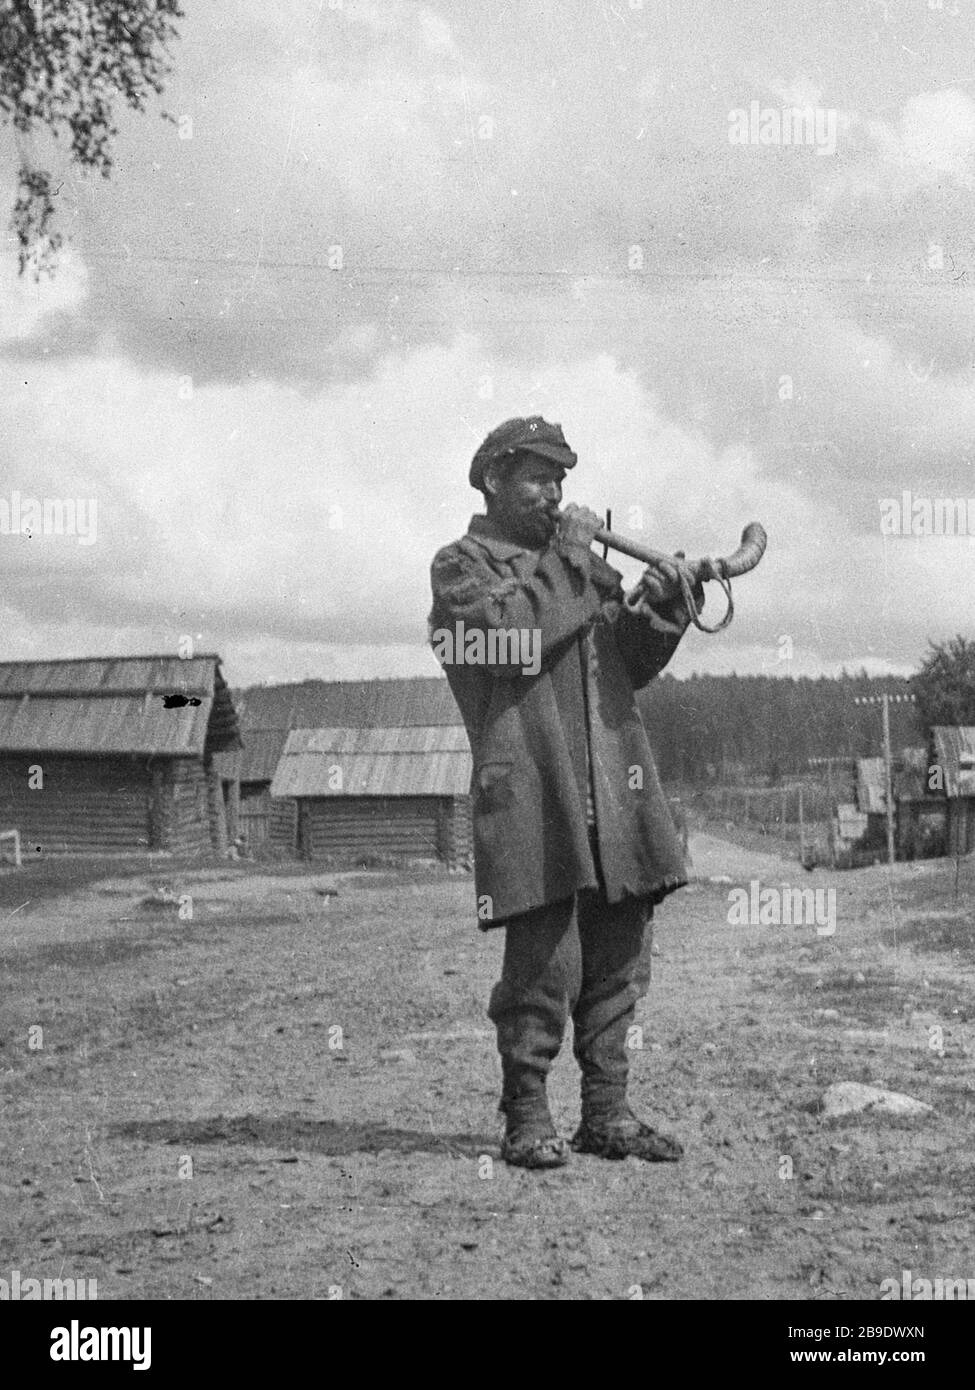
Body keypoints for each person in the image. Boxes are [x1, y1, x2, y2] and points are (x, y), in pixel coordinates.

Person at [429, 416, 701, 1169]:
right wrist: (573, 560)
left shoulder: (569, 568)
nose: (554, 495)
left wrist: (662, 609)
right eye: (538, 478)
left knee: (618, 962)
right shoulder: (460, 568)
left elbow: (625, 665)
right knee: (542, 969)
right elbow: (511, 642)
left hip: (613, 791)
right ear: (492, 480)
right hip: (533, 797)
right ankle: (525, 1118)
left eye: (561, 481)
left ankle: (607, 1116)